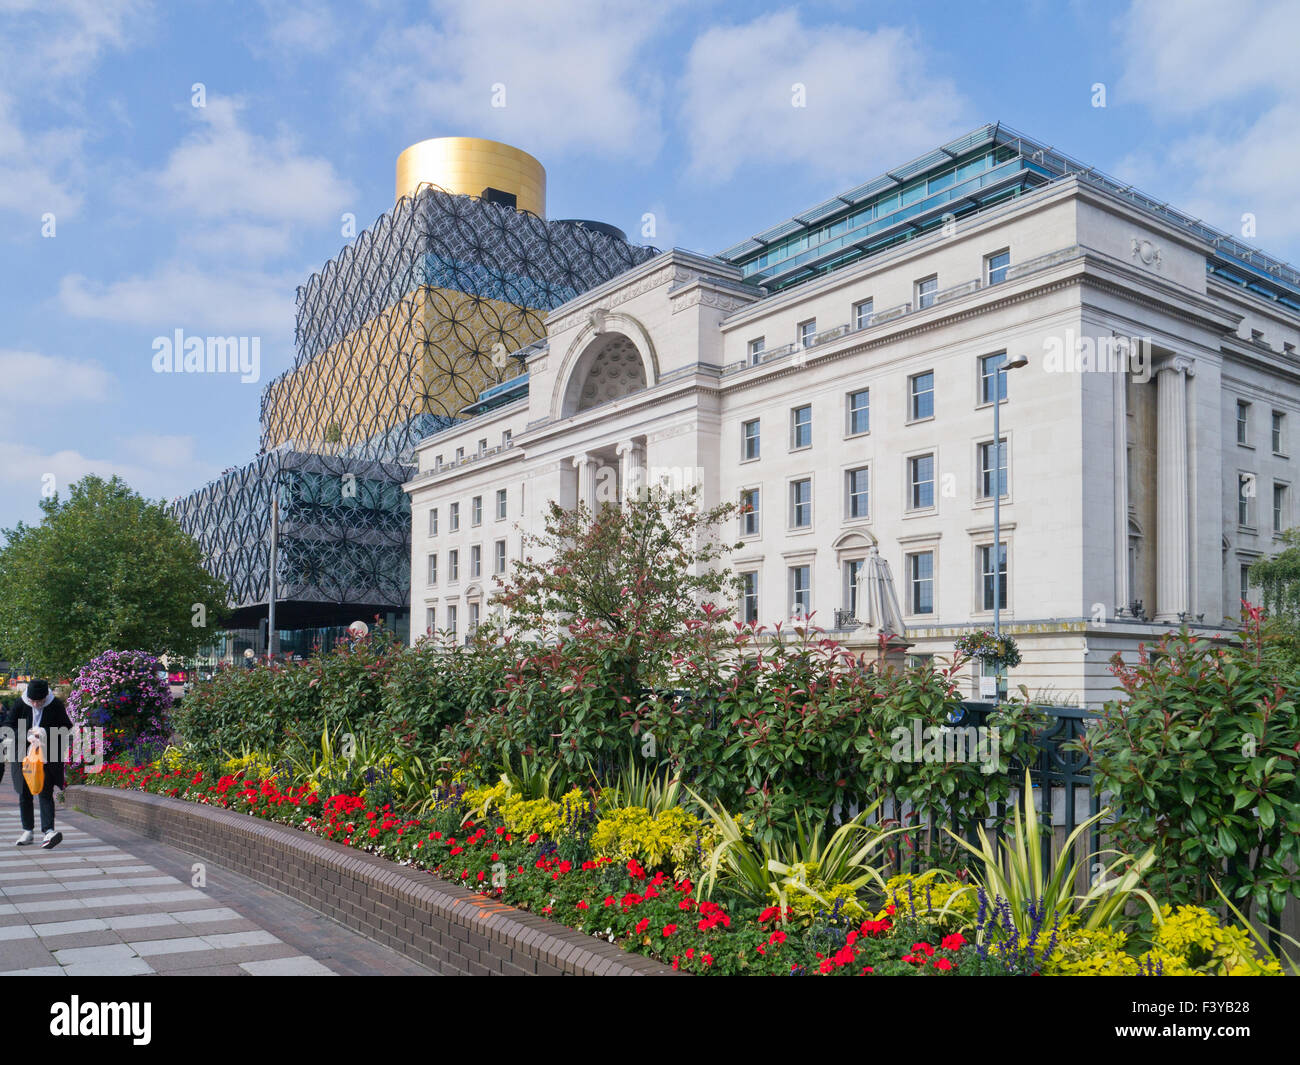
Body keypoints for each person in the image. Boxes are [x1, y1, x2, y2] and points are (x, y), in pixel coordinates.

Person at [7, 679, 70, 848]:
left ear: (45, 697)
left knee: (45, 791)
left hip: (46, 756)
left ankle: (49, 831)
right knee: (24, 793)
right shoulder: (20, 703)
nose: (36, 704)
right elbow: (7, 726)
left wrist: (46, 732)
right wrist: (25, 735)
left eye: (40, 701)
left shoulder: (54, 704)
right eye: (33, 701)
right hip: (22, 756)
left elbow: (66, 727)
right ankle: (28, 831)